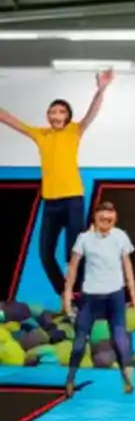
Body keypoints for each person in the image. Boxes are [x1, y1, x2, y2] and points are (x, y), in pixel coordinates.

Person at [0, 70, 113, 305]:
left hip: (73, 200)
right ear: (48, 116)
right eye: (53, 111)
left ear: (68, 116)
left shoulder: (74, 131)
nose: (56, 114)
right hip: (50, 202)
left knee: (73, 253)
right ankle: (65, 292)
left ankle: (81, 294)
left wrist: (100, 90)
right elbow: (10, 120)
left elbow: (92, 113)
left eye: (61, 111)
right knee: (45, 253)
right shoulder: (41, 134)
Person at [63, 201, 135, 397]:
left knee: (120, 338)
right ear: (95, 219)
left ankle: (127, 378)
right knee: (80, 342)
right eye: (102, 218)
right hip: (90, 297)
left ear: (114, 219)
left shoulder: (120, 236)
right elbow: (72, 268)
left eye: (110, 219)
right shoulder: (84, 239)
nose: (106, 222)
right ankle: (70, 379)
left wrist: (134, 297)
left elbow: (127, 266)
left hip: (115, 295)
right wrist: (67, 296)